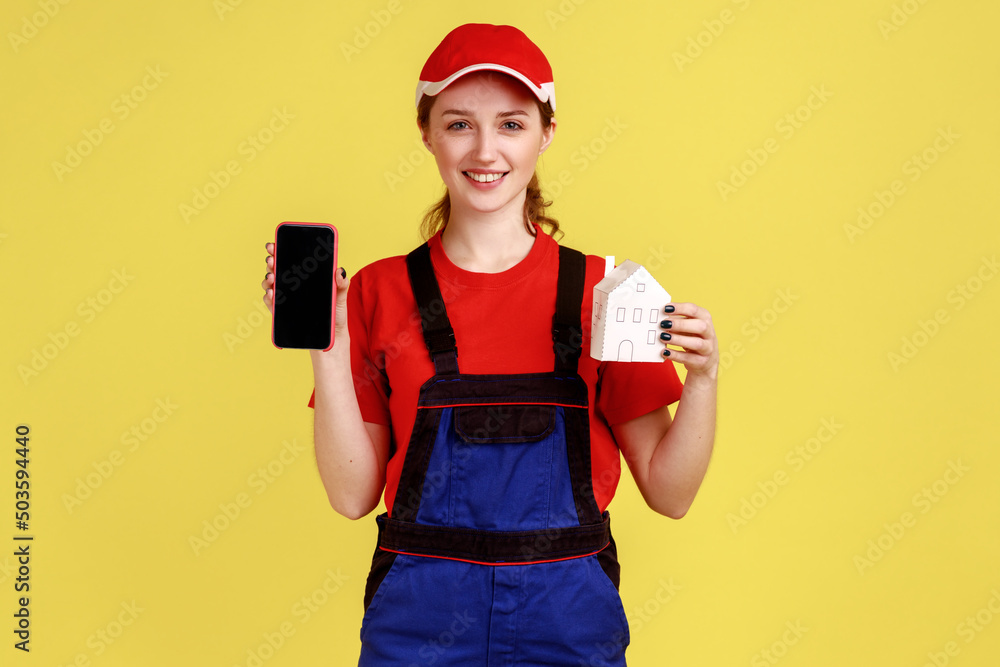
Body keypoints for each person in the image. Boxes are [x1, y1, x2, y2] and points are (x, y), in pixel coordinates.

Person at [261, 23, 717, 665]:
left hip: (568, 626)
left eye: (511, 124)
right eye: (457, 124)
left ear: (546, 132)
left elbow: (671, 495)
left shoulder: (606, 292)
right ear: (426, 133)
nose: (484, 150)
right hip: (418, 629)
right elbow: (351, 496)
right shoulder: (375, 292)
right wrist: (328, 343)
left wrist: (703, 380)